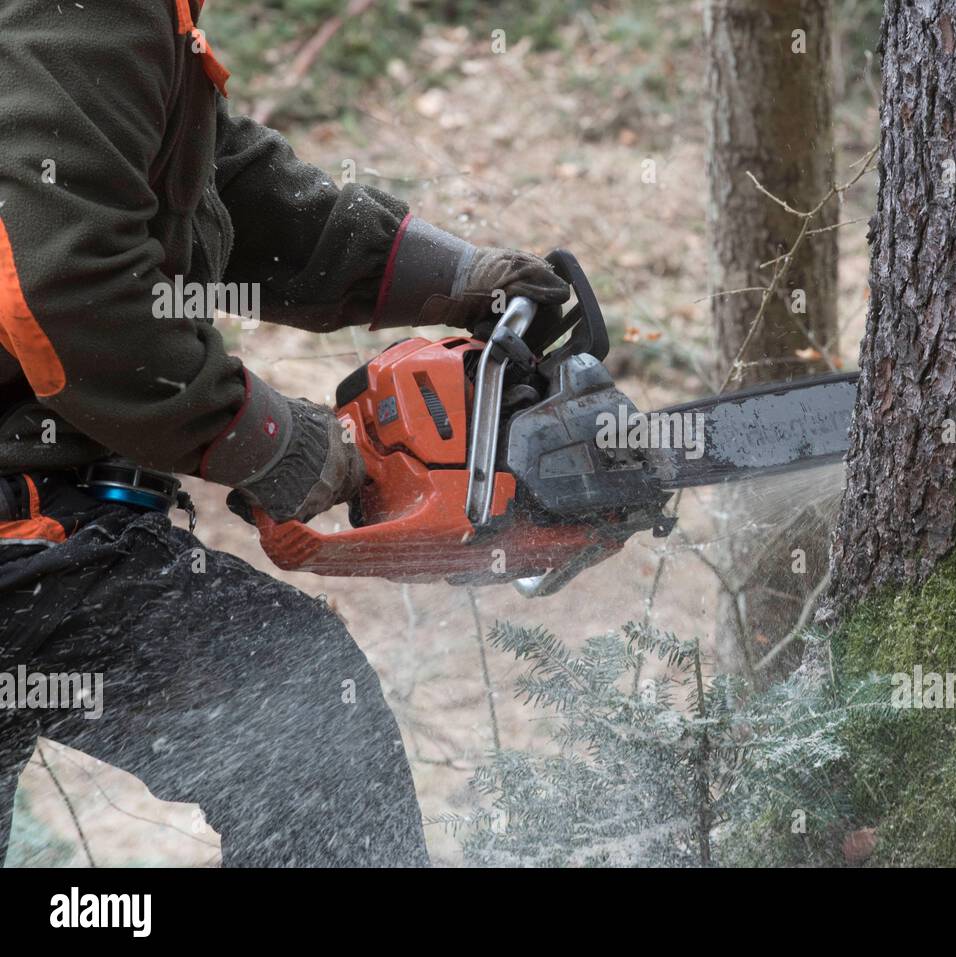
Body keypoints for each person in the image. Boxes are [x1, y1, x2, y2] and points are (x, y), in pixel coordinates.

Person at [0, 0, 569, 866]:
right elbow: (65, 291)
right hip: (27, 534)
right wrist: (273, 443)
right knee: (305, 717)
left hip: (50, 520)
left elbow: (207, 184)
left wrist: (452, 277)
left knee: (303, 710)